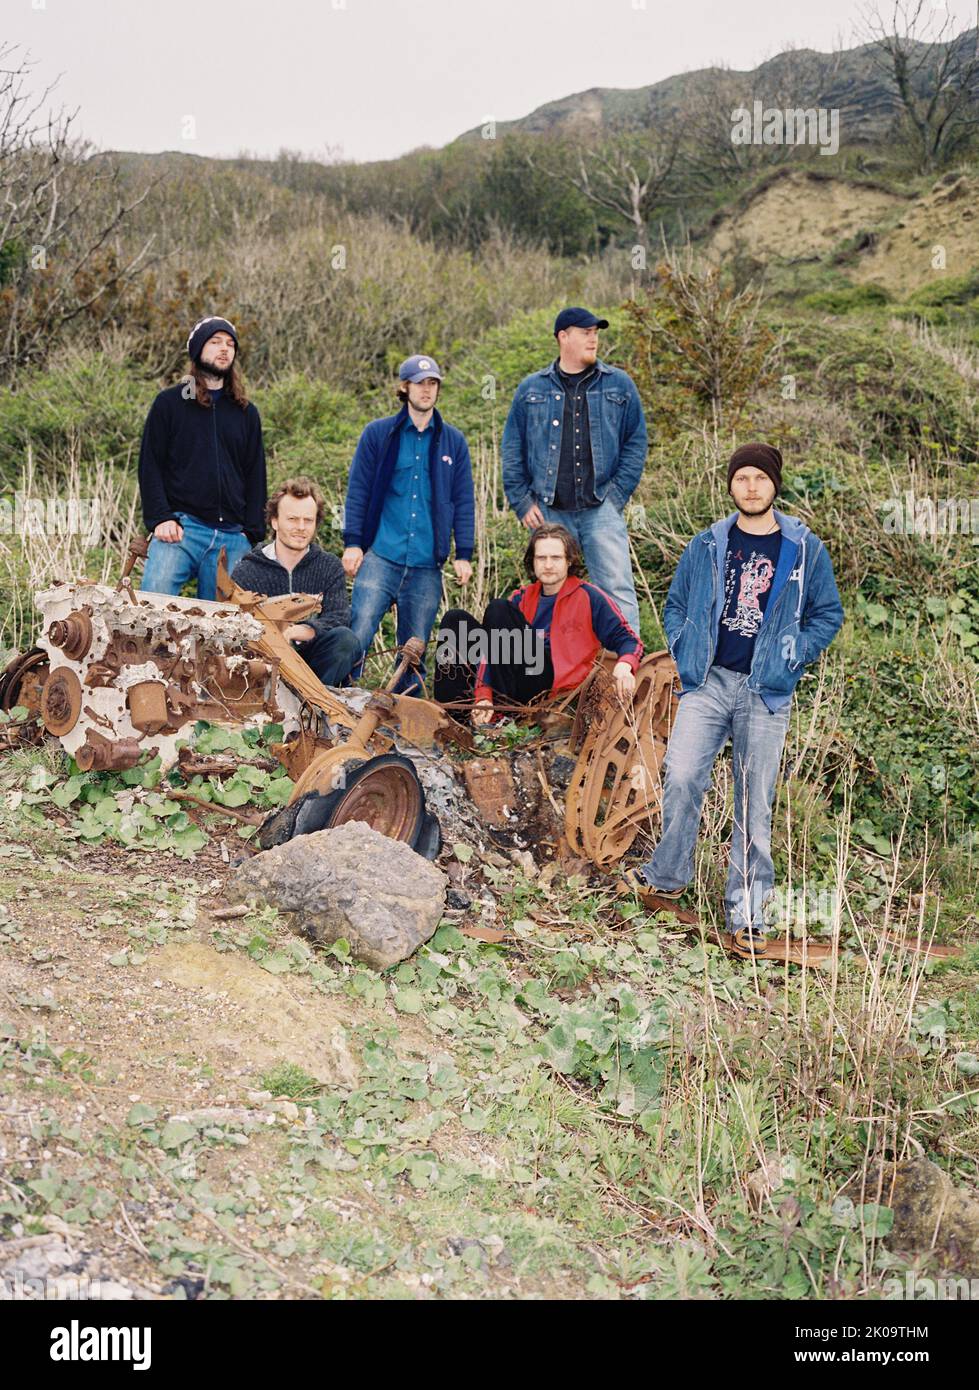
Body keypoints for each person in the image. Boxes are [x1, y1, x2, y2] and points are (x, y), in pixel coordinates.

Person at [625, 443, 845, 957]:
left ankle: (748, 913)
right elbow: (676, 605)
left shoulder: (804, 548)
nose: (750, 486)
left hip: (765, 691)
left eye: (760, 478)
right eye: (741, 477)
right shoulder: (706, 544)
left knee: (754, 799)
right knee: (680, 776)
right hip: (709, 683)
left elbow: (826, 615)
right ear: (730, 485)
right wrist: (683, 650)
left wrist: (795, 652)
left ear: (775, 485)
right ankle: (668, 874)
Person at [501, 307, 647, 636]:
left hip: (601, 509)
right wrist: (522, 502)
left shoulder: (619, 385)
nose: (593, 338)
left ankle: (625, 672)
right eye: (585, 332)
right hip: (550, 512)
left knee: (617, 592)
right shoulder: (530, 389)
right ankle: (557, 675)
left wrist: (617, 495)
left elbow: (636, 441)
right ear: (563, 337)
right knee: (553, 594)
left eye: (596, 332)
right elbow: (512, 446)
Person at [342, 354, 474, 694]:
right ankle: (343, 703)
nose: (427, 390)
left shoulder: (453, 442)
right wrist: (353, 543)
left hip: (426, 565)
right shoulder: (378, 434)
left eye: (433, 383)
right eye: (420, 383)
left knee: (414, 648)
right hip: (381, 555)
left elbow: (462, 500)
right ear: (405, 387)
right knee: (358, 633)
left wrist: (464, 553)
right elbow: (358, 489)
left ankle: (405, 717)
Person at [433, 523, 642, 723]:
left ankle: (503, 715)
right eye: (541, 558)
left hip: (548, 684)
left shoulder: (589, 596)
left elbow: (628, 640)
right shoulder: (522, 597)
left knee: (499, 609)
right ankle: (454, 719)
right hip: (514, 673)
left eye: (556, 558)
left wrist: (625, 666)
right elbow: (491, 646)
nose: (548, 565)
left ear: (569, 560)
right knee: (456, 620)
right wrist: (483, 694)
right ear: (532, 561)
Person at [139, 316, 267, 601]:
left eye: (230, 344)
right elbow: (150, 465)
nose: (225, 349)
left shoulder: (246, 412)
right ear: (197, 350)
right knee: (150, 609)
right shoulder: (170, 403)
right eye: (215, 342)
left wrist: (251, 532)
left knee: (223, 631)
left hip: (233, 538)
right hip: (182, 531)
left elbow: (256, 474)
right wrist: (160, 517)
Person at [230, 478, 360, 688]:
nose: (301, 527)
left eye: (308, 520)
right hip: (263, 663)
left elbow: (339, 617)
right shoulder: (247, 570)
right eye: (292, 519)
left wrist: (303, 630)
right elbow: (234, 627)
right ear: (274, 521)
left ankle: (313, 708)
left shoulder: (329, 566)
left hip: (314, 666)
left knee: (346, 640)